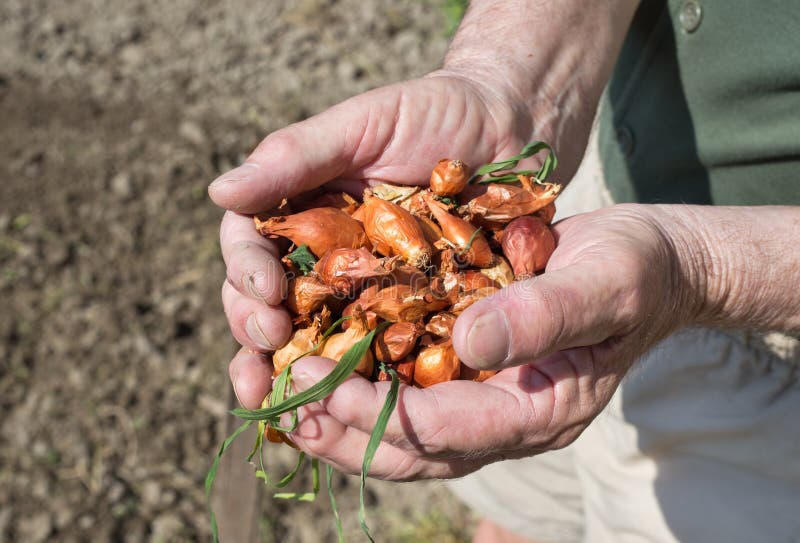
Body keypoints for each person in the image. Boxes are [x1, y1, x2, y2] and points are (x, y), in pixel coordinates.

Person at [208, 1, 800, 541]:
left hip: (767, 346)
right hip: (593, 222)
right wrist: (504, 86)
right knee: (513, 519)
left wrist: (704, 265)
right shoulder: (511, 227)